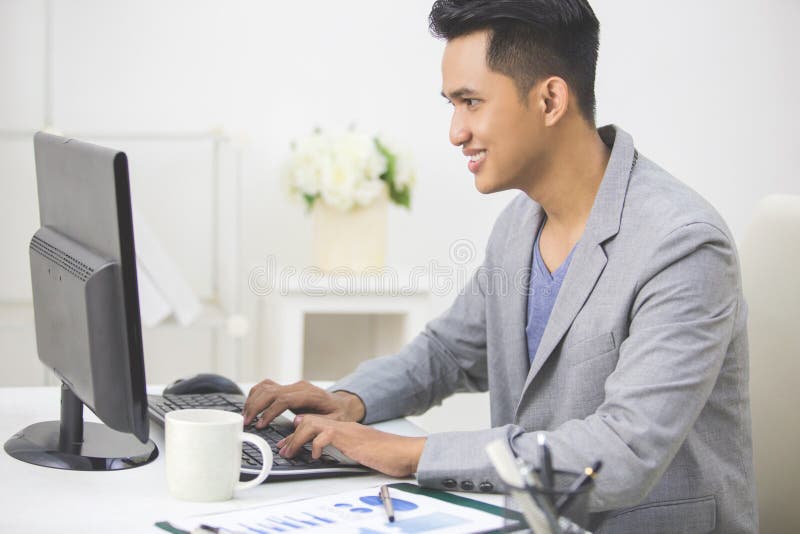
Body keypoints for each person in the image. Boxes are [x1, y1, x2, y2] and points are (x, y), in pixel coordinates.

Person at [244, 1, 757, 531]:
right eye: (452, 104)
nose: (455, 132)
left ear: (550, 99)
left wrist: (409, 453)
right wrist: (347, 400)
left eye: (471, 102)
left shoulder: (682, 245)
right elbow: (449, 353)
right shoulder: (520, 223)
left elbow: (621, 454)